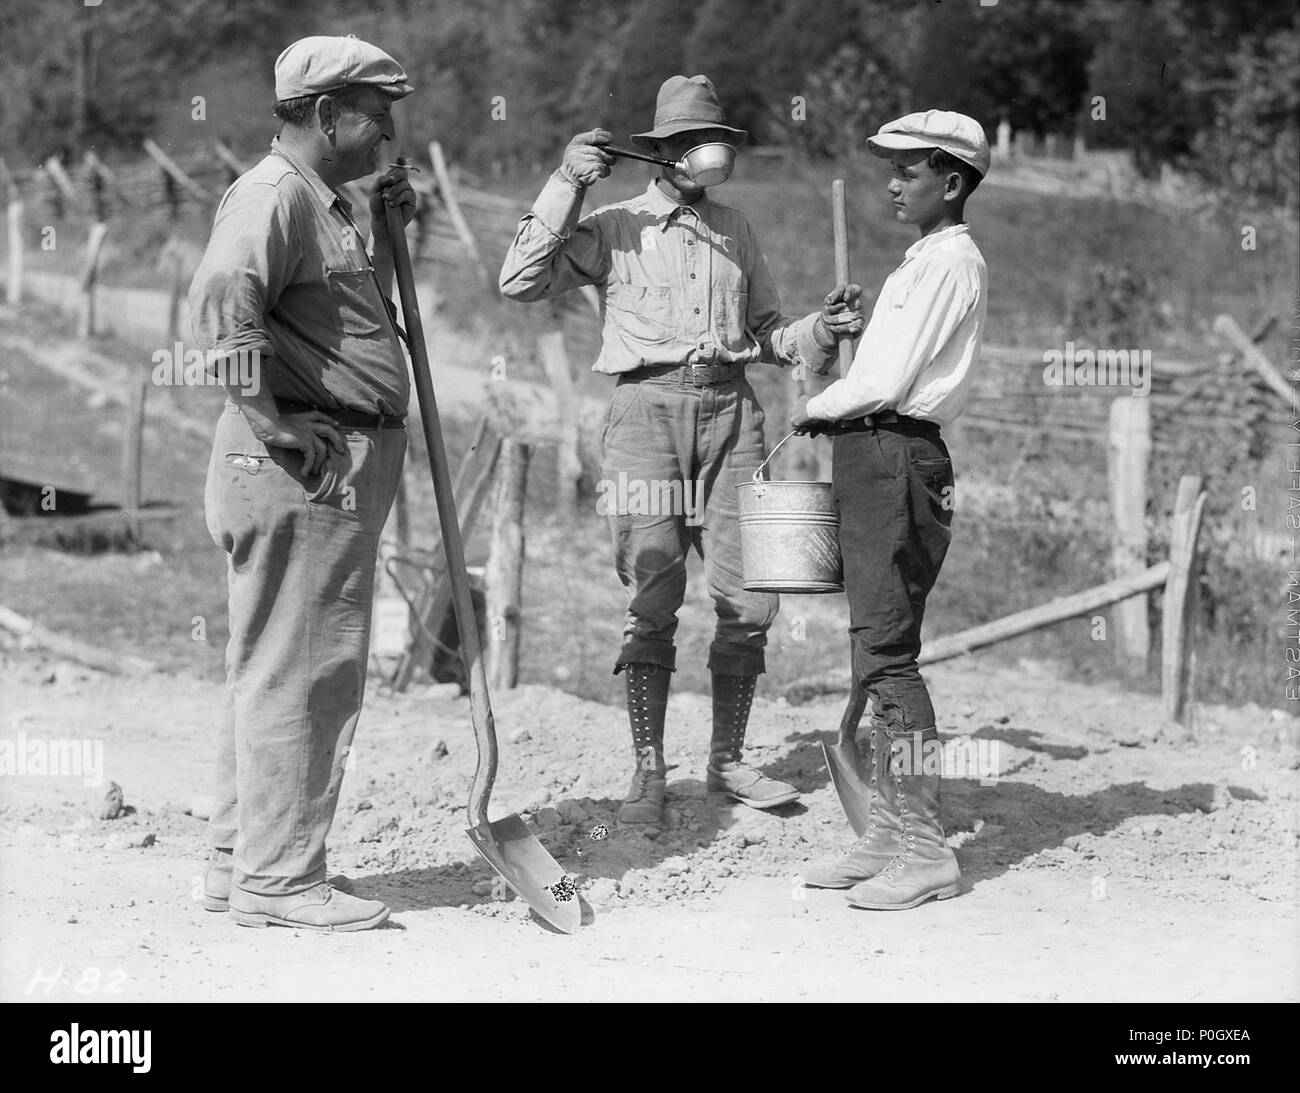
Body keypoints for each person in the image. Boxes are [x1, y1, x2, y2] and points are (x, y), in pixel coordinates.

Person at [500, 75, 862, 827]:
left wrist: (820, 330)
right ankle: (647, 770)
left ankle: (727, 762)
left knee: (754, 597)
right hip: (645, 416)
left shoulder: (737, 229)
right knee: (652, 591)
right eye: (699, 145)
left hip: (735, 414)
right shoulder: (613, 225)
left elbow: (769, 336)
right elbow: (520, 278)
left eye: (721, 143)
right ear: (663, 153)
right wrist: (567, 180)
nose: (713, 156)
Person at [189, 35, 418, 931]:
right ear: (327, 115)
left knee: (270, 667)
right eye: (378, 114)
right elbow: (222, 307)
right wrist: (276, 421)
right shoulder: (276, 196)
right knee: (307, 669)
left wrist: (392, 224)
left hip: (307, 462)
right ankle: (280, 880)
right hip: (301, 465)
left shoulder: (324, 201)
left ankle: (237, 863)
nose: (389, 131)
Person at [792, 110, 990, 910]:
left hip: (894, 453)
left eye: (909, 170)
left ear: (951, 181)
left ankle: (924, 846)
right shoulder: (919, 264)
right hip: (872, 451)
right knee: (870, 643)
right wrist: (848, 337)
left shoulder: (950, 263)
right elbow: (881, 360)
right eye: (890, 168)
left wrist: (816, 405)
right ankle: (886, 828)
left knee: (890, 652)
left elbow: (884, 381)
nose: (892, 181)